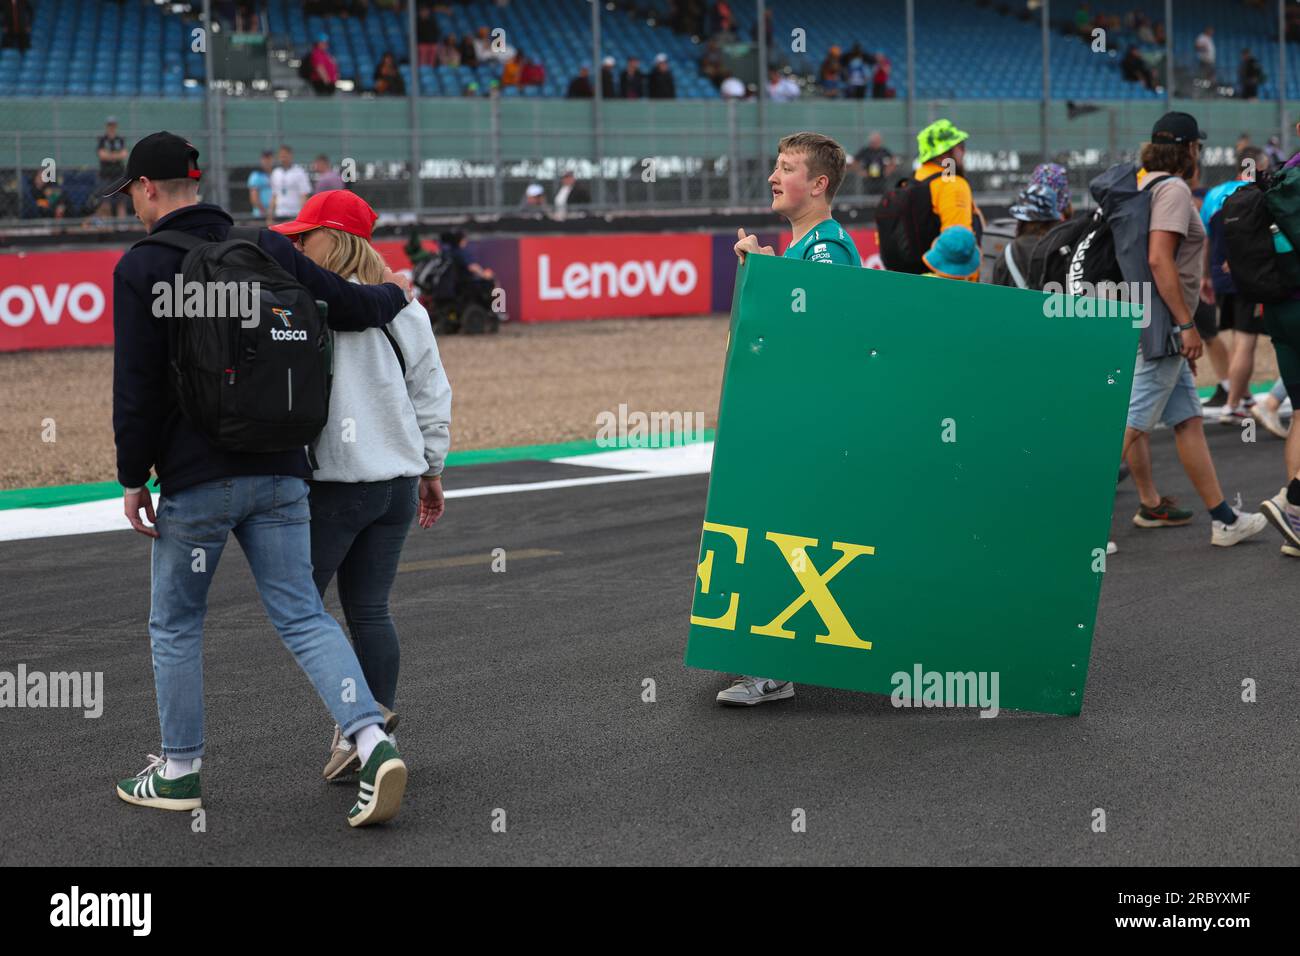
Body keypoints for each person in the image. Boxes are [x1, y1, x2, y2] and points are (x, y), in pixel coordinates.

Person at [105, 131, 414, 826]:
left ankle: (180, 772)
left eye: (130, 193)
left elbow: (138, 388)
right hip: (282, 471)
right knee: (304, 613)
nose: (131, 205)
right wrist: (394, 292)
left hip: (196, 478)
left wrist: (133, 476)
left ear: (149, 188)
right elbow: (356, 308)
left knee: (177, 624)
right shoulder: (267, 245)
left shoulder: (143, 266)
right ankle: (370, 738)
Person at [270, 190, 451, 781]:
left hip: (334, 486)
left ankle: (361, 727)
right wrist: (432, 467)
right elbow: (431, 392)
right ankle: (369, 731)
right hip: (397, 483)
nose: (295, 245)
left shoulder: (306, 304)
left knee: (301, 612)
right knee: (369, 610)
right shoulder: (407, 308)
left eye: (306, 235)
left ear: (337, 240)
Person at [727, 131, 862, 706]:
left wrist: (765, 272)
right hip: (795, 420)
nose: (773, 177)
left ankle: (775, 668)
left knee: (787, 538)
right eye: (776, 167)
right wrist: (763, 271)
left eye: (786, 168)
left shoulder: (828, 249)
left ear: (819, 184)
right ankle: (773, 660)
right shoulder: (805, 249)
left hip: (811, 425)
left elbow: (822, 339)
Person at [1113, 112, 1266, 547]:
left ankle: (1224, 519)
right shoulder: (1175, 189)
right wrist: (1186, 325)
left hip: (1145, 317)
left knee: (1188, 419)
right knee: (1130, 425)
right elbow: (1161, 258)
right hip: (1163, 325)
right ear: (1189, 149)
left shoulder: (1143, 183)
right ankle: (1065, 514)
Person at [1201, 146, 1270, 425]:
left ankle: (1245, 396)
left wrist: (1206, 275)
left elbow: (1206, 238)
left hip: (1219, 278)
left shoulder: (1214, 194)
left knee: (1236, 340)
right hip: (1248, 278)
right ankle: (1232, 406)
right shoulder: (1257, 195)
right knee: (1246, 343)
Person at [96, 117, 130, 218]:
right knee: (106, 202)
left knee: (121, 202)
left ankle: (122, 226)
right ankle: (108, 226)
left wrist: (109, 155)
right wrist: (116, 156)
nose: (111, 127)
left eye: (113, 125)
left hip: (119, 174)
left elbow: (124, 154)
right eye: (110, 125)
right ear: (107, 126)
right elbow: (102, 155)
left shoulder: (120, 140)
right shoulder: (102, 140)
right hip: (105, 175)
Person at [271, 144, 312, 222]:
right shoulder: (276, 173)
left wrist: (302, 217)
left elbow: (304, 195)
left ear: (291, 156)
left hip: (294, 215)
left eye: (285, 156)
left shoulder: (300, 172)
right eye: (281, 156)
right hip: (279, 214)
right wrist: (270, 216)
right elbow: (274, 195)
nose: (283, 158)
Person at [849, 131, 897, 195]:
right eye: (874, 141)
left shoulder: (884, 151)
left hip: (881, 178)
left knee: (882, 195)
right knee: (868, 195)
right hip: (868, 179)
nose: (876, 143)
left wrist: (889, 170)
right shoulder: (865, 151)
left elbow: (893, 160)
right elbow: (854, 161)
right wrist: (860, 171)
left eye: (878, 141)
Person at [246, 149, 274, 224]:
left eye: (269, 158)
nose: (267, 161)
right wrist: (265, 213)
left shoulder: (276, 174)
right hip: (260, 216)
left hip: (276, 216)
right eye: (264, 158)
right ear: (261, 160)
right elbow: (254, 199)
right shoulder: (255, 175)